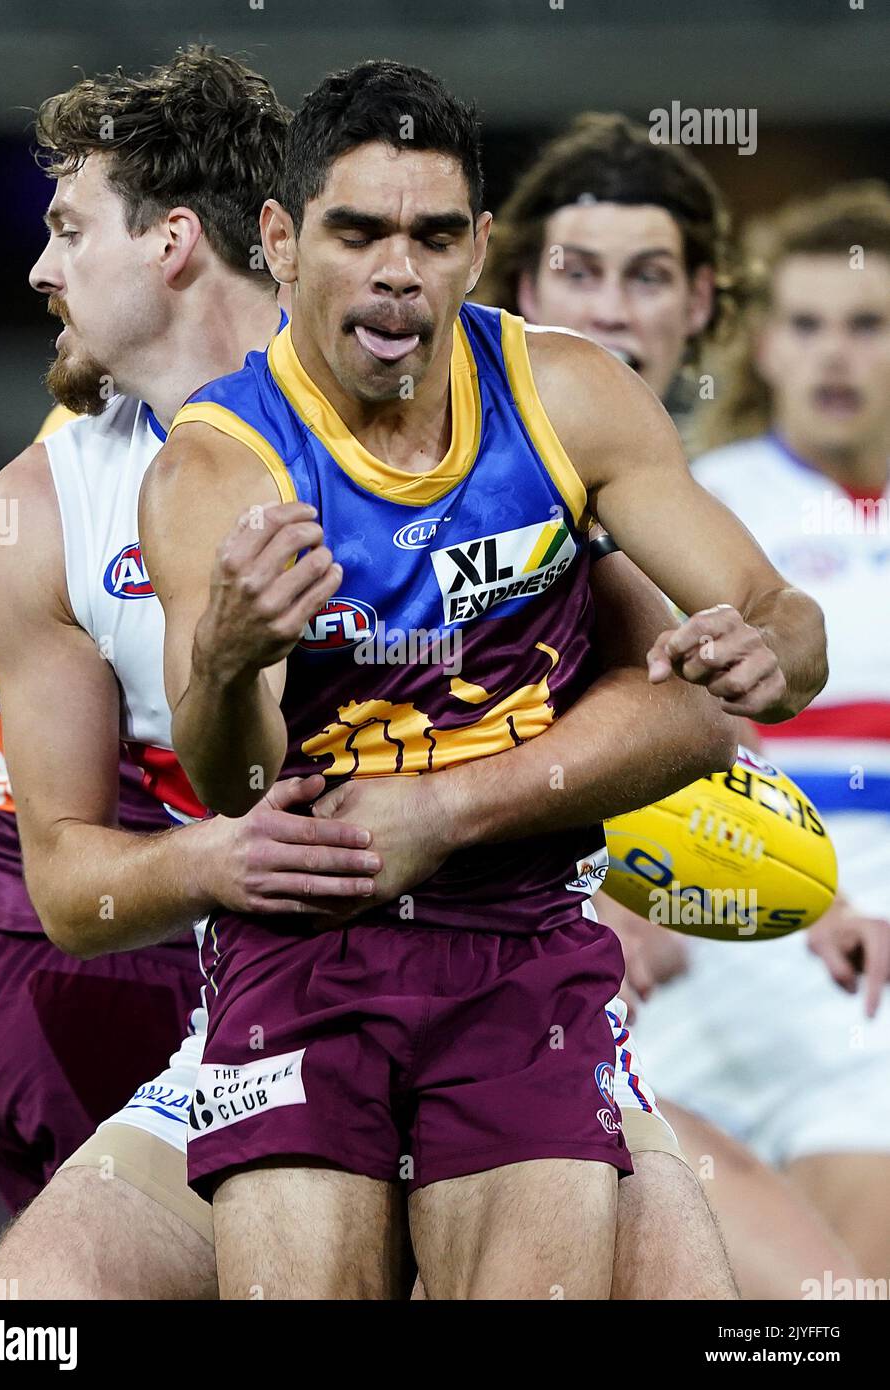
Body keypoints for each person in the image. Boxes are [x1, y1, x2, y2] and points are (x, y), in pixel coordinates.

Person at [0, 52, 732, 1303]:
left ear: (177, 243)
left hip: (504, 979)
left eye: (67, 227)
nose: (40, 268)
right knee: (14, 1330)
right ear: (281, 234)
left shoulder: (459, 393)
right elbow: (69, 886)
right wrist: (216, 858)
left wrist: (457, 813)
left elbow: (690, 700)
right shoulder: (39, 510)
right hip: (274, 990)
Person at [143, 61, 825, 1300]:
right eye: (358, 231)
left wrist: (773, 639)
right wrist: (230, 657)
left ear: (480, 247)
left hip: (522, 943)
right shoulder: (217, 466)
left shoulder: (566, 393)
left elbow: (776, 635)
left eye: (433, 234)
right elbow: (228, 777)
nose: (398, 268)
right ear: (285, 244)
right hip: (306, 947)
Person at [475, 111, 879, 1298]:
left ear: (703, 300)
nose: (609, 311)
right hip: (516, 998)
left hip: (754, 990)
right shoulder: (432, 501)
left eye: (646, 276)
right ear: (516, 284)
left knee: (827, 1304)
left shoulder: (715, 512)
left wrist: (809, 900)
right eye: (579, 274)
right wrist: (592, 890)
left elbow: (751, 718)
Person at [633, 182, 890, 1281]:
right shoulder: (701, 504)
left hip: (865, 983)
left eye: (868, 323)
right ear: (761, 346)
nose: (834, 352)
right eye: (805, 322)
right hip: (709, 943)